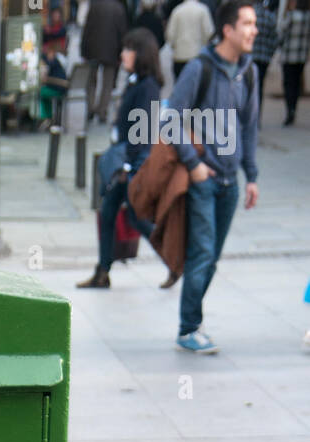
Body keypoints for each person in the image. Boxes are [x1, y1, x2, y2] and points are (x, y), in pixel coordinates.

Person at [165, 0, 259, 352]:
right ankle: (188, 328)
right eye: (247, 24)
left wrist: (251, 175)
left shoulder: (249, 71)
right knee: (202, 253)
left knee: (212, 257)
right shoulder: (198, 69)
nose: (254, 31)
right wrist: (193, 164)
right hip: (203, 180)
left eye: (254, 24)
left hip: (230, 183)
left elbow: (249, 127)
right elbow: (170, 118)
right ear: (228, 30)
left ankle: (193, 322)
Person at [77, 28, 163, 286]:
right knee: (107, 212)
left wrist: (129, 166)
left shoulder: (147, 87)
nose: (123, 54)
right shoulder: (136, 81)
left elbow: (143, 132)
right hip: (124, 161)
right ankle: (102, 271)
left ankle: (175, 259)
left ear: (141, 54)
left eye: (128, 49)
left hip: (132, 163)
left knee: (137, 217)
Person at [81, 0, 129, 122]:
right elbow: (122, 31)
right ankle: (102, 111)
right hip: (111, 50)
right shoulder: (119, 8)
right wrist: (121, 50)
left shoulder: (95, 5)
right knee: (107, 82)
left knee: (91, 80)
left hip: (93, 49)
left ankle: (90, 108)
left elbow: (87, 28)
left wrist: (84, 49)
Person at [278, 0, 310, 125]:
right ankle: (293, 108)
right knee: (296, 84)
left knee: (288, 84)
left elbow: (281, 33)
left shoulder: (291, 16)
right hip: (301, 56)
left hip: (288, 55)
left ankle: (289, 110)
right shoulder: (308, 17)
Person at [167, 0, 215, 77]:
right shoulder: (203, 10)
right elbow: (209, 33)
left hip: (179, 56)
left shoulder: (177, 10)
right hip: (198, 55)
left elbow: (170, 35)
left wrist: (175, 47)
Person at [252, 0, 279, 118]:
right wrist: (270, 53)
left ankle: (251, 115)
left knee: (250, 87)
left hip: (251, 57)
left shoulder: (250, 14)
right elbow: (275, 39)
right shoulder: (270, 16)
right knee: (260, 87)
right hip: (264, 58)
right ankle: (257, 116)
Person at [39, 38, 70, 123]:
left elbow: (45, 77)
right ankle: (47, 117)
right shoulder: (58, 62)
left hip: (58, 88)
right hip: (61, 87)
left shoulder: (53, 62)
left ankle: (45, 117)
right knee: (43, 92)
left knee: (40, 92)